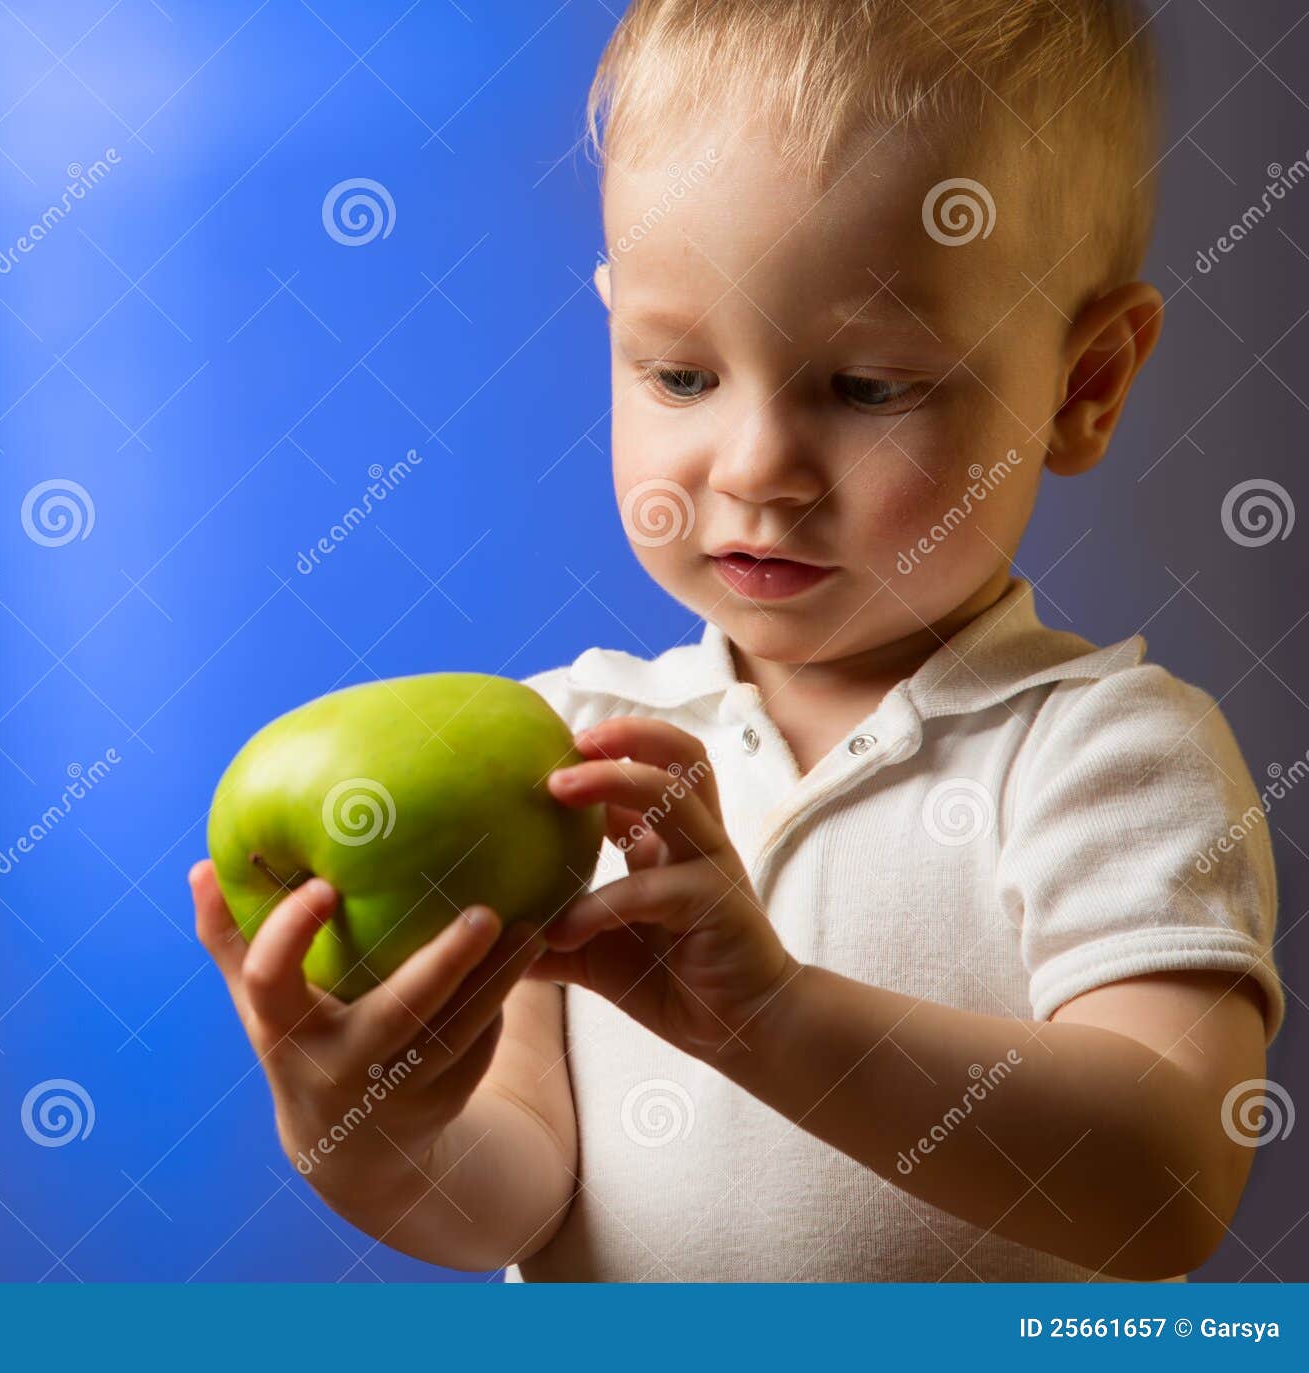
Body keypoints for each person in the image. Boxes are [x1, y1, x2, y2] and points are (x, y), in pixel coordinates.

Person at [188, 0, 1282, 1281]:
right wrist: (368, 1121)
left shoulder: (1106, 755)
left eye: (870, 387)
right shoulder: (574, 756)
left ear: (1083, 384)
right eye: (679, 374)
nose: (756, 467)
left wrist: (773, 1019)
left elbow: (1163, 1182)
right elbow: (510, 1196)